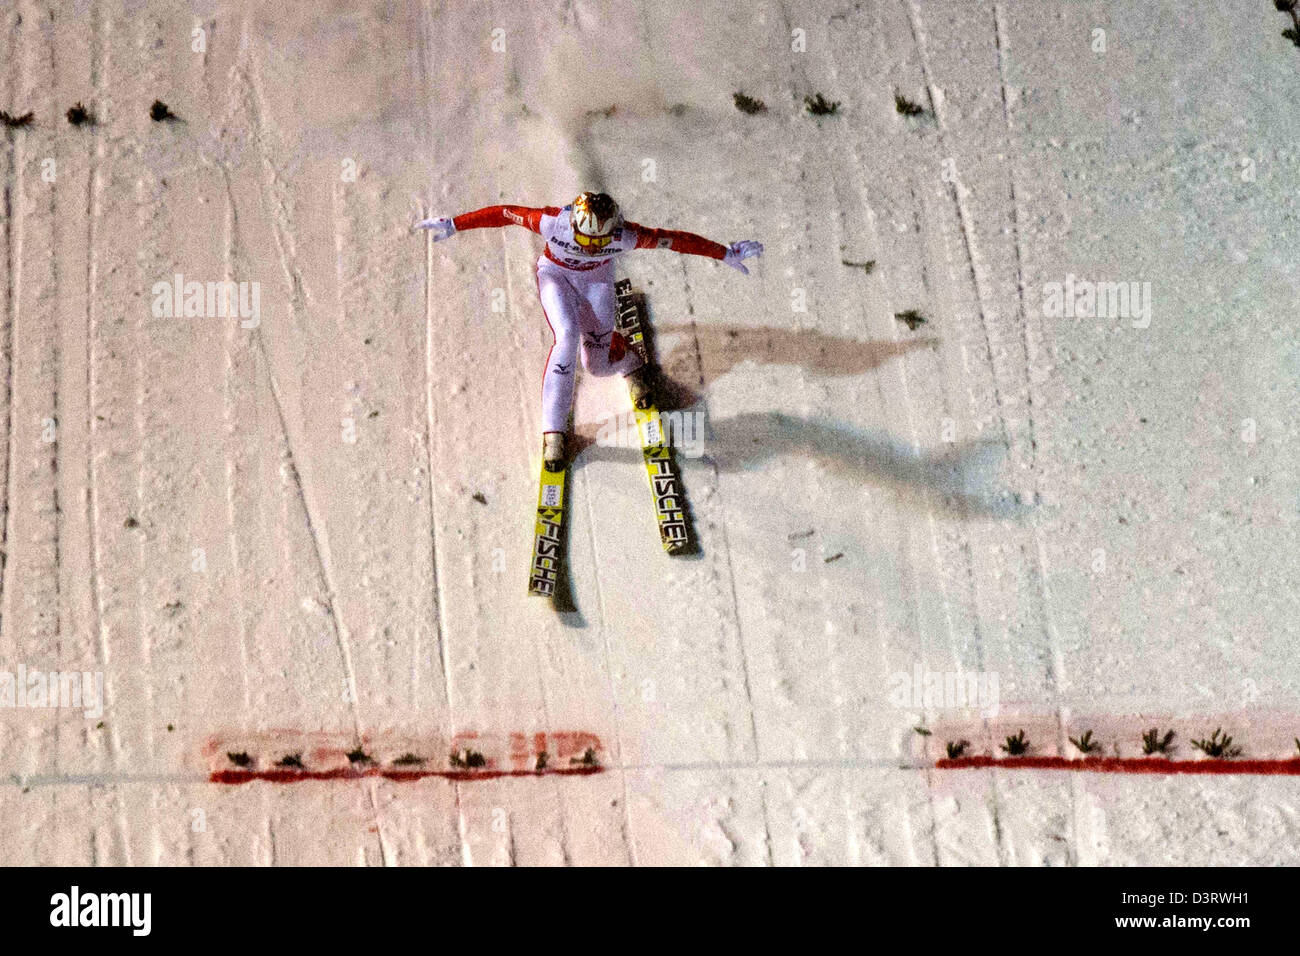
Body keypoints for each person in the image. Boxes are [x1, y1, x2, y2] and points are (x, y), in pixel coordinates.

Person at [416, 191, 762, 471]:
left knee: (596, 365)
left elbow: (676, 240)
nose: (592, 246)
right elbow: (506, 213)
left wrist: (724, 252)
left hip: (595, 281)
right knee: (566, 337)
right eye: (585, 238)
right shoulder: (553, 222)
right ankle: (554, 432)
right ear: (573, 225)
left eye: (600, 242)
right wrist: (456, 224)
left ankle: (628, 363)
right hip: (556, 276)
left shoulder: (626, 236)